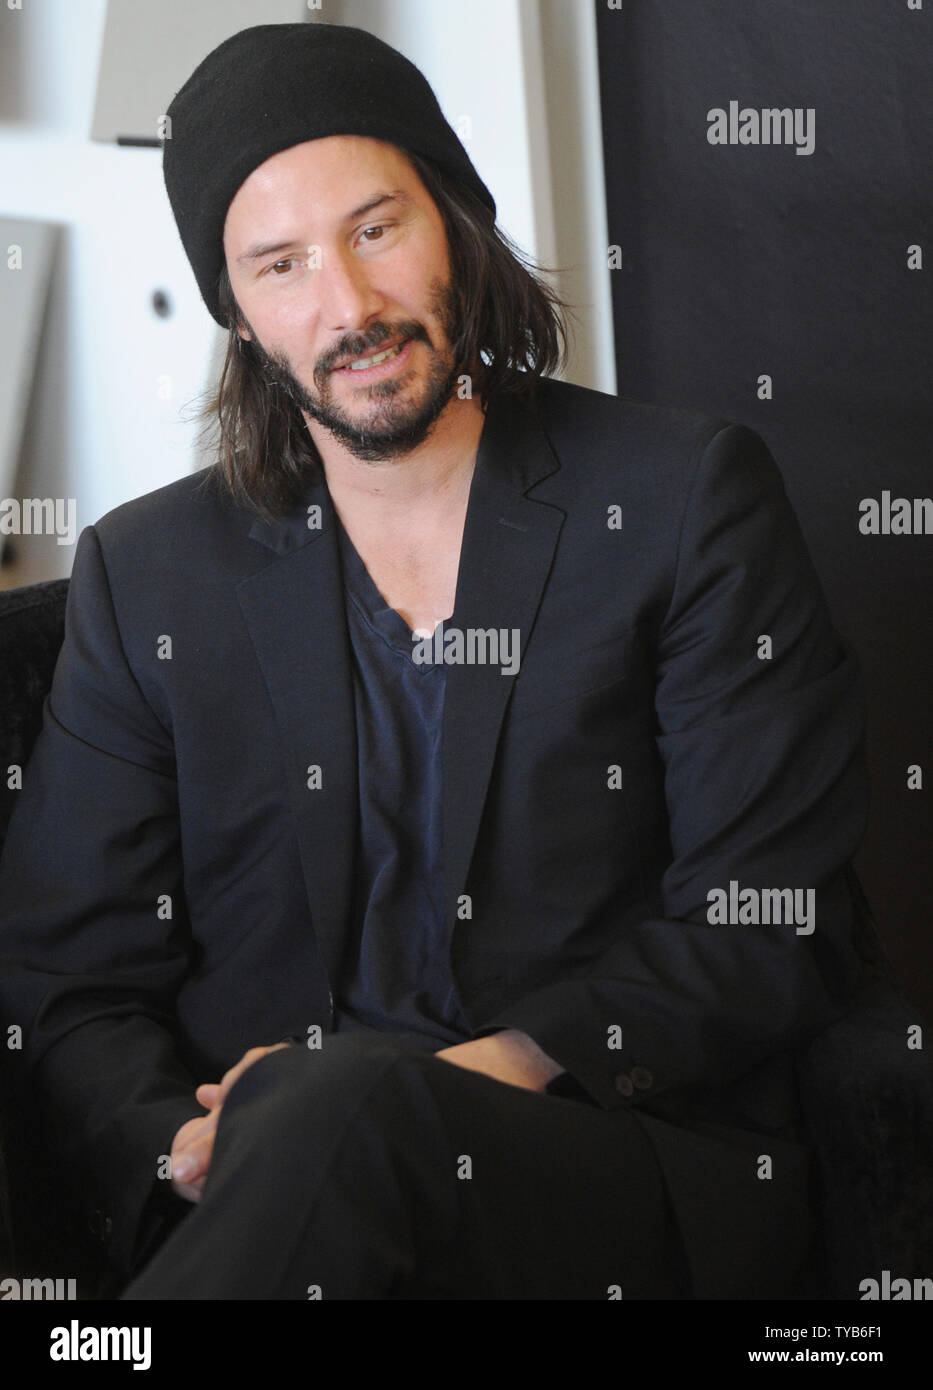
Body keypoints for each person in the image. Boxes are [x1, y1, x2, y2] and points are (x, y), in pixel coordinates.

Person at [0, 21, 869, 1300]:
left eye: (375, 228)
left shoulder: (684, 498)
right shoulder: (153, 572)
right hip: (262, 1194)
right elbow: (66, 974)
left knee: (342, 1101)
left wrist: (452, 1077)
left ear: (455, 220)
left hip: (602, 1163)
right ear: (237, 314)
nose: (347, 308)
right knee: (322, 1116)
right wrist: (183, 1144)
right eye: (281, 264)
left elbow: (774, 920)